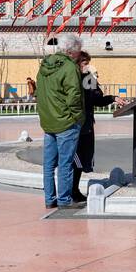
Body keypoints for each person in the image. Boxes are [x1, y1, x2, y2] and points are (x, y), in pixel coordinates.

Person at [36, 33, 85, 210]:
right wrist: (77, 117)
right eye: (79, 53)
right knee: (65, 163)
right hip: (66, 122)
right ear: (72, 52)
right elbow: (74, 96)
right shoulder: (70, 68)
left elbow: (39, 93)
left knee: (49, 165)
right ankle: (64, 200)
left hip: (49, 121)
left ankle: (50, 199)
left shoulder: (44, 66)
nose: (79, 56)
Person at [71, 51, 119, 201]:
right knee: (74, 160)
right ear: (77, 64)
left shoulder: (89, 79)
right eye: (84, 64)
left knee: (82, 160)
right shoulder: (71, 79)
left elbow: (97, 99)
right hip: (74, 124)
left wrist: (112, 98)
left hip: (86, 125)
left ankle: (74, 190)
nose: (87, 66)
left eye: (88, 63)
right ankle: (70, 191)